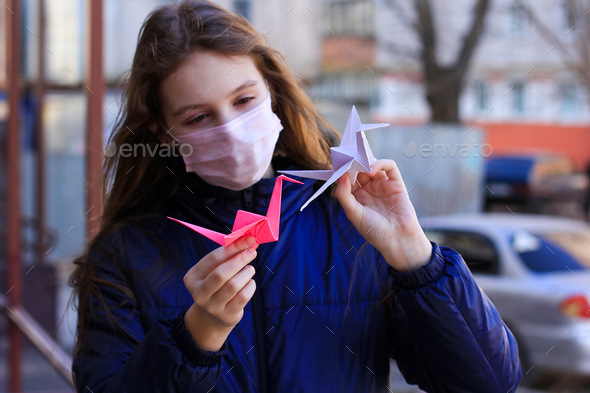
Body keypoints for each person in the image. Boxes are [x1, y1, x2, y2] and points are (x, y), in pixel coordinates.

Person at [70, 1, 522, 392]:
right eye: (198, 118)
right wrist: (195, 336)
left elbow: (486, 381)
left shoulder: (350, 219)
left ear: (272, 93)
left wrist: (416, 258)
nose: (229, 130)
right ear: (164, 135)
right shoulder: (127, 254)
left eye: (244, 101)